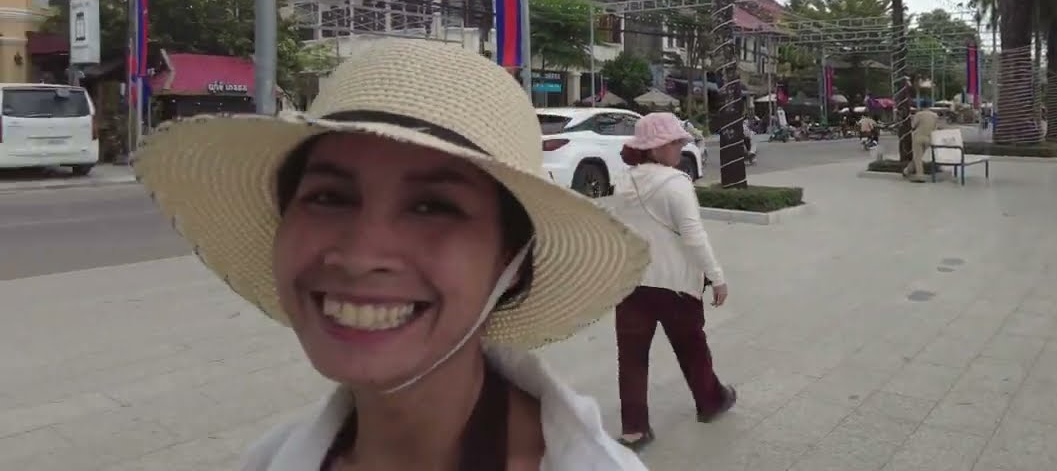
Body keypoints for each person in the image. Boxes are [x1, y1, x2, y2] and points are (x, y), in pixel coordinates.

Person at [132, 39, 651, 470]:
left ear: (511, 262)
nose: (360, 256)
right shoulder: (267, 461)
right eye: (328, 198)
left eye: (432, 207)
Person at [609, 112, 736, 451]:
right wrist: (717, 277)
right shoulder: (676, 183)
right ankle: (710, 402)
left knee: (632, 357)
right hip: (676, 284)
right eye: (675, 142)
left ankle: (634, 429)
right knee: (692, 348)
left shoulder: (624, 181)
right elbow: (693, 237)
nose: (681, 146)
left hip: (632, 282)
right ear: (656, 147)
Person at [907, 106, 940, 181]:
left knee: (917, 157)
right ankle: (907, 170)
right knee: (919, 156)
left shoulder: (919, 114)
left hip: (918, 137)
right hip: (929, 138)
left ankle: (920, 175)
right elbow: (936, 128)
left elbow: (913, 125)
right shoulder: (935, 116)